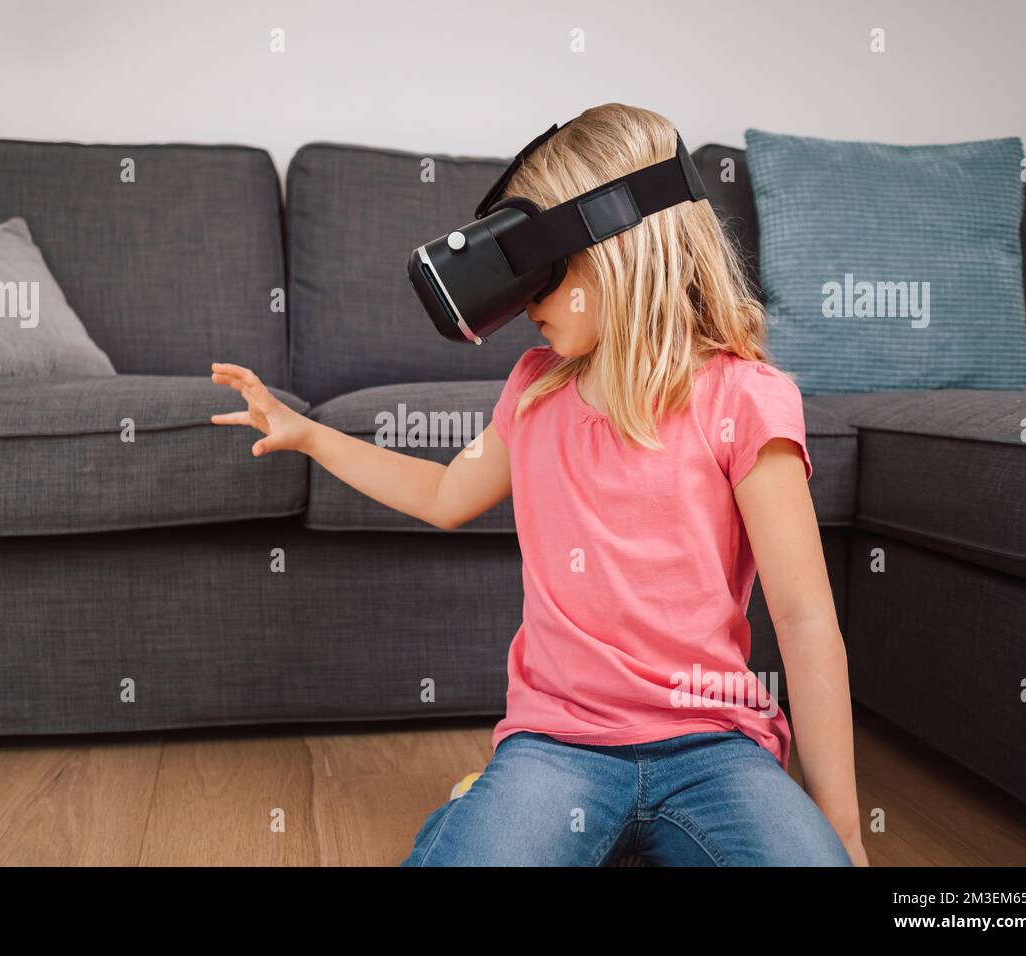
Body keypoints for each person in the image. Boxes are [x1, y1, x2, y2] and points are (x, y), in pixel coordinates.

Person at [212, 103, 866, 867]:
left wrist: (844, 836)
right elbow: (442, 494)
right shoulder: (533, 391)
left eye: (538, 279)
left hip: (715, 748)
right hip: (559, 744)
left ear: (609, 253)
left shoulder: (746, 401)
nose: (524, 307)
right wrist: (310, 434)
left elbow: (805, 618)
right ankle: (490, 807)